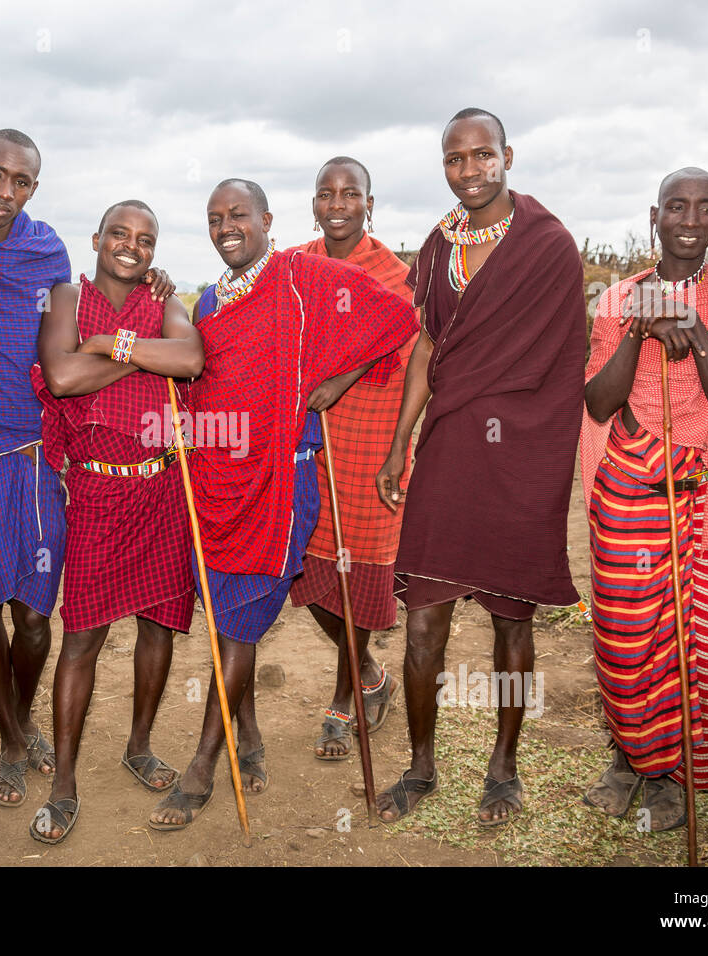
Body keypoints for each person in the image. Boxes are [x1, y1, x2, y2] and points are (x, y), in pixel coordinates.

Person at [0, 130, 173, 807]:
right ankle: (9, 739)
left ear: (33, 188)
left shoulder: (46, 248)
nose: (5, 191)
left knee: (33, 614)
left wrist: (154, 285)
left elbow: (74, 328)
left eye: (20, 181)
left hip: (35, 456)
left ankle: (25, 718)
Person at [147, 178, 418, 830]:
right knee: (222, 621)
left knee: (238, 622)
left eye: (238, 214)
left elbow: (397, 319)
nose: (226, 227)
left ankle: (203, 769)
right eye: (214, 218)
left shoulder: (306, 279)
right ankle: (249, 739)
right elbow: (205, 383)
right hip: (217, 483)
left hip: (284, 484)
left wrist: (339, 375)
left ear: (267, 218)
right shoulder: (209, 298)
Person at [374, 109, 585, 826]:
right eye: (454, 158)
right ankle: (422, 764)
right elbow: (428, 348)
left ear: (507, 157)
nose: (469, 170)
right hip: (452, 443)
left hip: (522, 452)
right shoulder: (437, 248)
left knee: (509, 621)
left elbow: (562, 366)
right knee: (423, 619)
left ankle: (504, 766)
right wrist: (401, 441)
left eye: (481, 155)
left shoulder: (549, 245)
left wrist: (546, 463)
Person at [582, 168, 708, 829]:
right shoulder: (618, 300)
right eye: (677, 206)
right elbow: (597, 400)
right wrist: (643, 331)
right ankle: (629, 756)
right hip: (629, 490)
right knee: (625, 634)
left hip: (705, 488)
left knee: (698, 640)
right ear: (656, 215)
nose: (690, 219)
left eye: (705, 209)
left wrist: (693, 327)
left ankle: (676, 774)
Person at [26, 200, 202, 843]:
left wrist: (115, 345)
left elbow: (190, 361)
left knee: (159, 627)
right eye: (120, 235)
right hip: (99, 490)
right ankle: (64, 781)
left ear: (155, 250)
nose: (132, 246)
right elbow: (65, 376)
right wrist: (136, 350)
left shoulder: (167, 300)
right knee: (83, 638)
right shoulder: (63, 295)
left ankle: (139, 744)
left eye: (145, 239)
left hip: (162, 485)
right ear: (96, 238)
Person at [287, 156, 417, 760]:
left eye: (350, 194)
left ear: (370, 202)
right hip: (304, 441)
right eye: (325, 193)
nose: (337, 204)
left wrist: (344, 376)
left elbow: (402, 335)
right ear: (313, 202)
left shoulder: (393, 273)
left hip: (369, 438)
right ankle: (369, 672)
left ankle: (346, 700)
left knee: (358, 576)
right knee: (309, 577)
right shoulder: (296, 265)